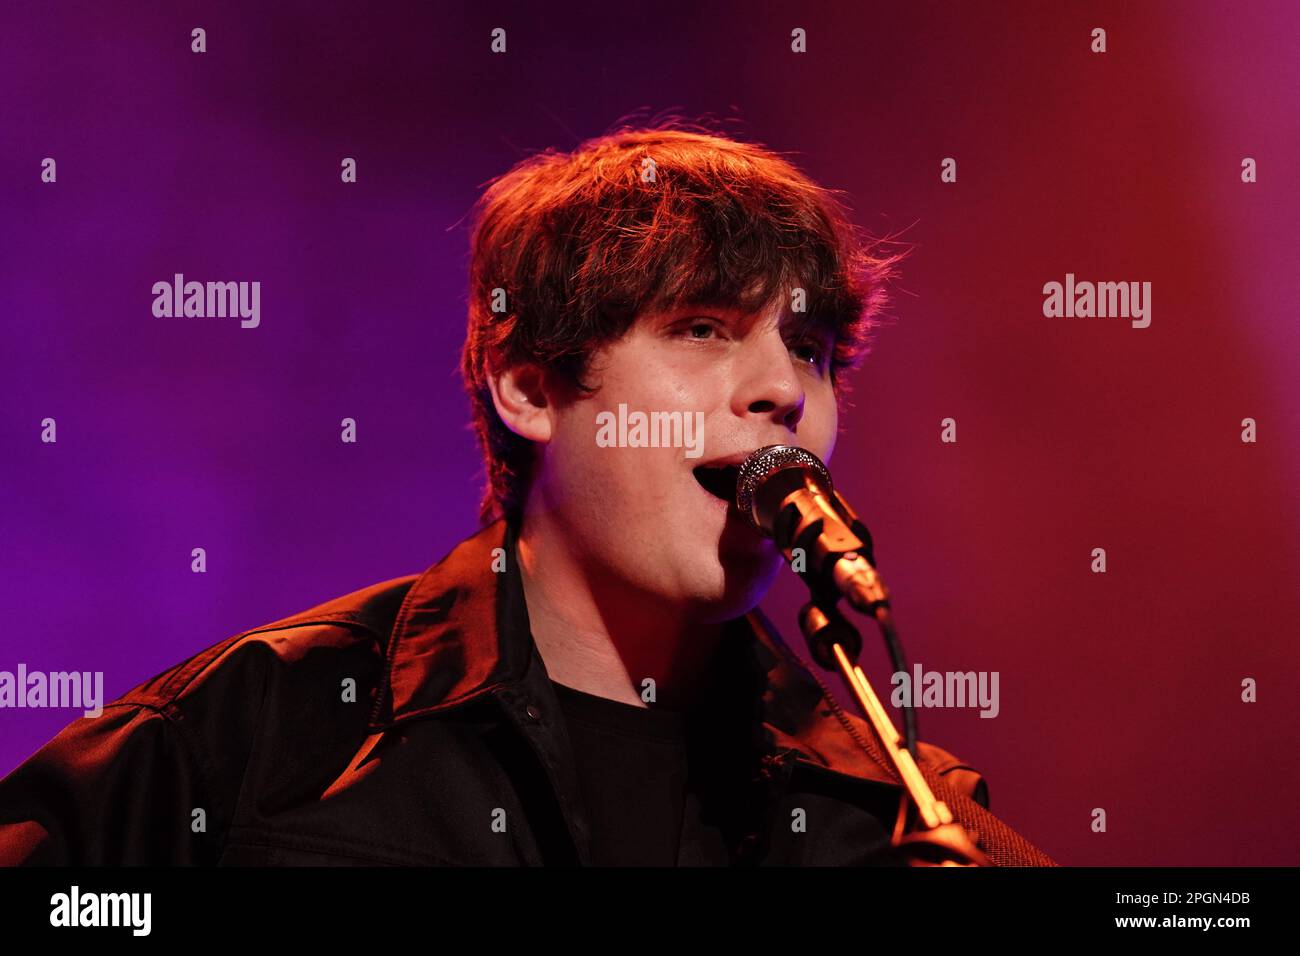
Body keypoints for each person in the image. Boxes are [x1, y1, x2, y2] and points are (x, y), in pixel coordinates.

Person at [0, 123, 1055, 866]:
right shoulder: (248, 741)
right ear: (530, 388)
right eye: (702, 328)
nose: (785, 388)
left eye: (811, 347)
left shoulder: (904, 816)